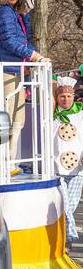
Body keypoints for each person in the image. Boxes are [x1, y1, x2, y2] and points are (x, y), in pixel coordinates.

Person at [0, 0, 44, 164]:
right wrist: (33, 56)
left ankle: (8, 159)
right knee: (5, 116)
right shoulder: (2, 11)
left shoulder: (13, 12)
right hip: (3, 68)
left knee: (18, 116)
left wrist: (34, 55)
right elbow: (9, 41)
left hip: (13, 68)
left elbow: (23, 39)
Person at [53, 75, 83, 248]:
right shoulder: (52, 116)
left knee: (71, 206)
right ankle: (69, 237)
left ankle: (63, 238)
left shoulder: (80, 115)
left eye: (69, 96)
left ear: (74, 97)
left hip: (77, 170)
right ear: (57, 98)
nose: (66, 100)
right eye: (62, 96)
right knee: (64, 203)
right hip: (57, 169)